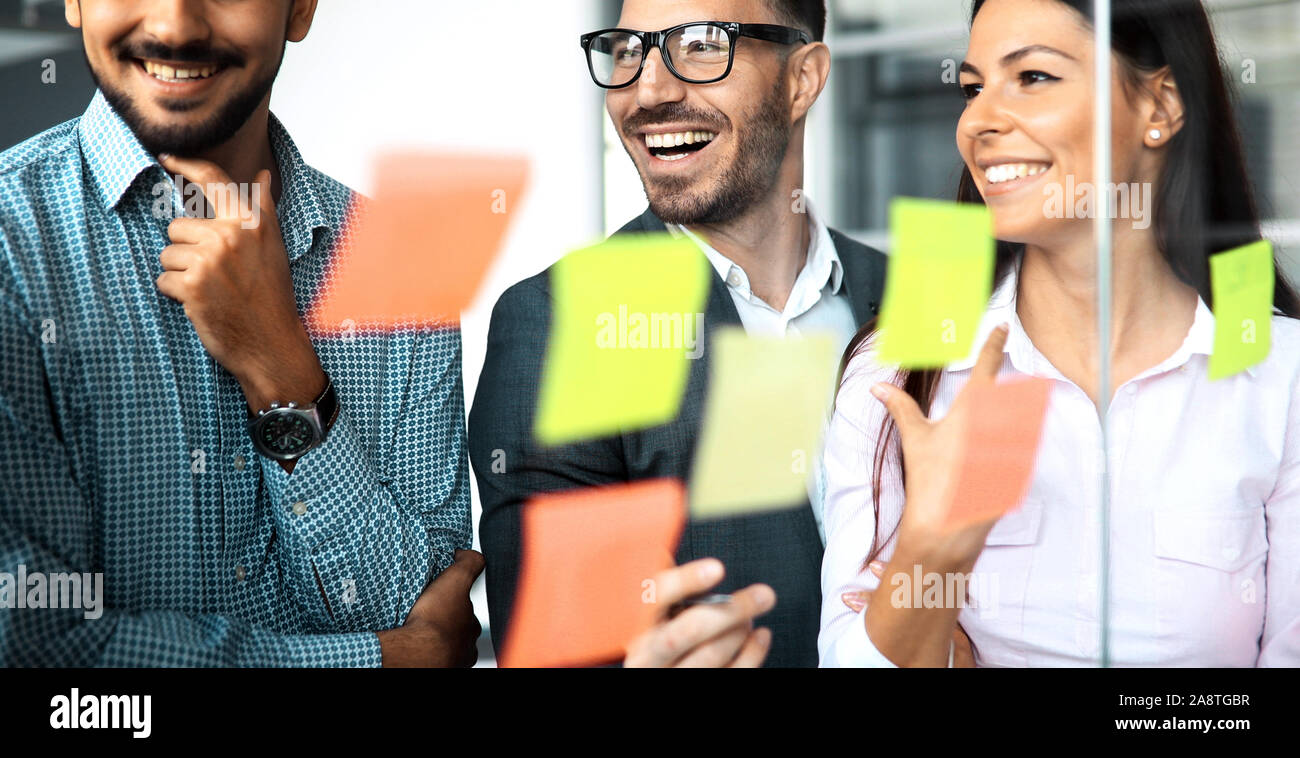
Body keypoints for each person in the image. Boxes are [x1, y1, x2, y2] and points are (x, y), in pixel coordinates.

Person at [820, 0, 1300, 667]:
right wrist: (929, 554)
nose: (978, 120)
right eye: (972, 87)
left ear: (1159, 107)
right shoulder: (901, 368)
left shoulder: (1280, 374)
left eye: (1034, 77)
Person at [0, 0, 479, 667]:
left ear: (301, 8)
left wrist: (279, 365)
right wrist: (382, 660)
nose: (174, 27)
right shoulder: (6, 248)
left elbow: (420, 611)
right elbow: (36, 655)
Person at [470, 0, 887, 667]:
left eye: (699, 44)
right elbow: (562, 653)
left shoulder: (916, 302)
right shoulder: (562, 324)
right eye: (627, 50)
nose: (647, 91)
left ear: (801, 79)